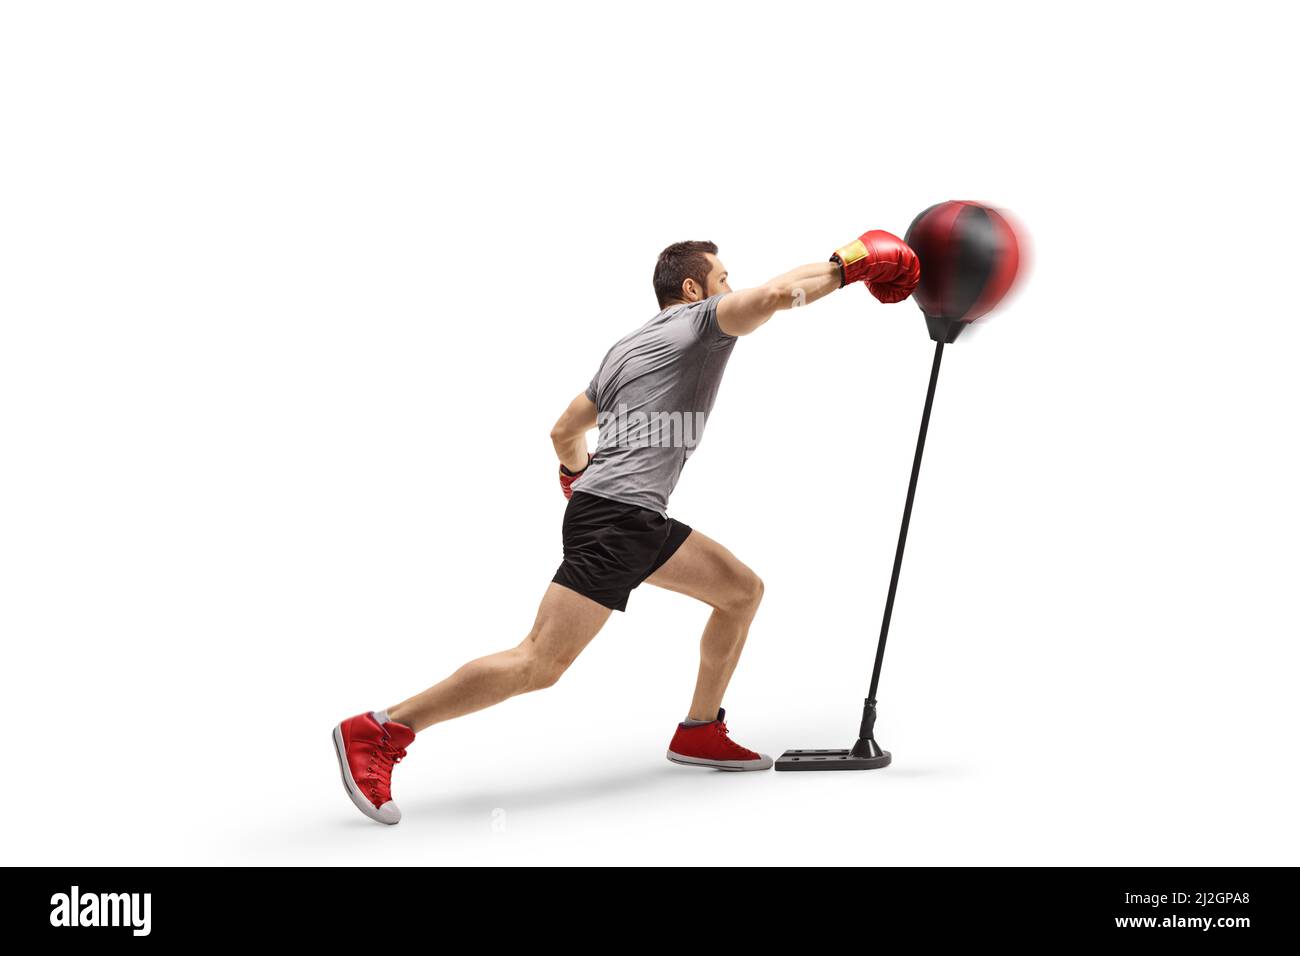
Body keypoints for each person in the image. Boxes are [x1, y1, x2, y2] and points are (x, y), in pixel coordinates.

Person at [332, 230, 920, 824]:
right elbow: (774, 296)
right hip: (617, 518)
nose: (730, 290)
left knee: (741, 591)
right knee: (538, 661)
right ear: (692, 289)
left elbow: (564, 431)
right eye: (722, 280)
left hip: (630, 515)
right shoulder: (701, 322)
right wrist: (849, 266)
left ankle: (699, 730)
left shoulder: (625, 348)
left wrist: (576, 476)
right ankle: (382, 729)